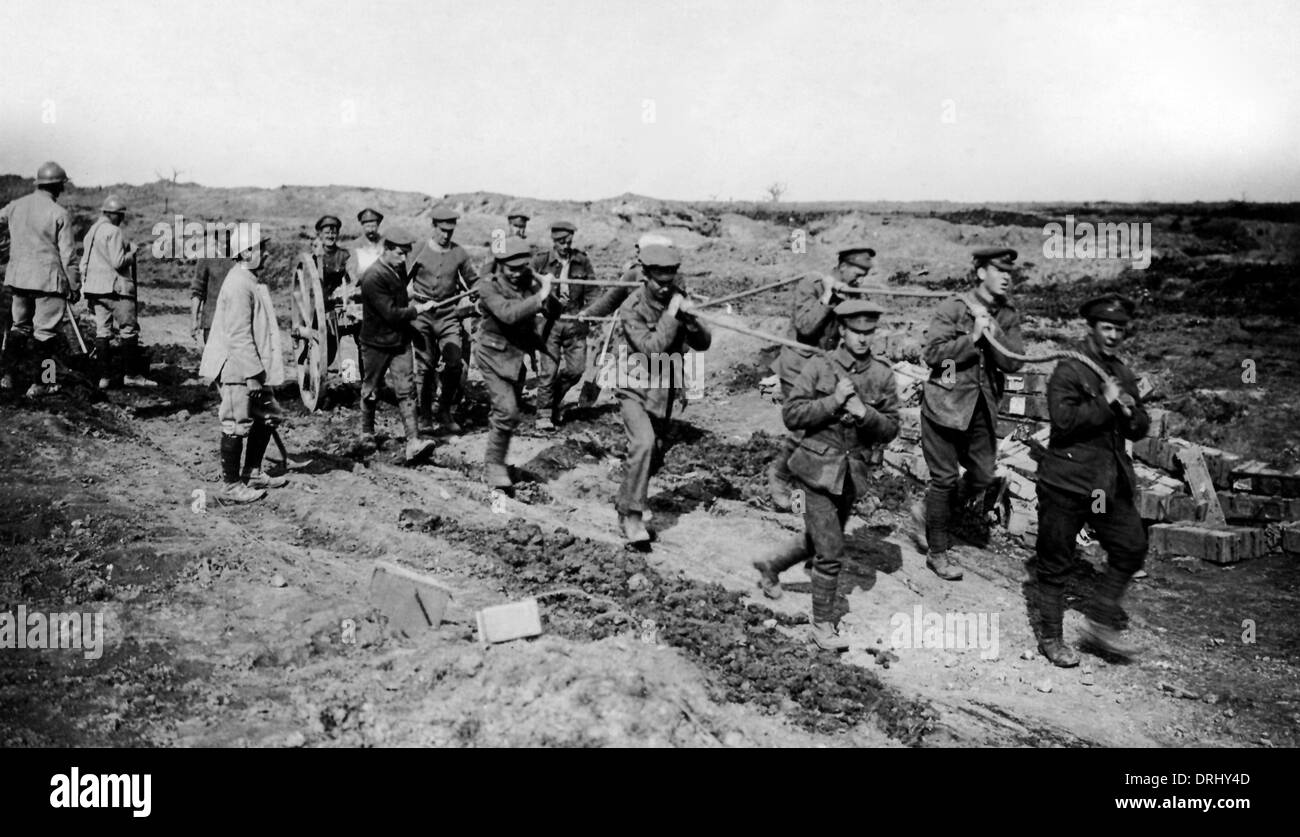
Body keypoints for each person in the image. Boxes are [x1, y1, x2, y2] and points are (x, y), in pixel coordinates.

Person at [776, 299, 900, 651]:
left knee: (819, 541)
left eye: (869, 332)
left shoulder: (881, 374)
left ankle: (771, 566)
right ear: (842, 331)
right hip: (814, 471)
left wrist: (864, 413)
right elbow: (792, 415)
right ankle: (822, 625)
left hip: (851, 475)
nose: (863, 338)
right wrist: (832, 402)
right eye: (856, 331)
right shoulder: (820, 366)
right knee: (830, 551)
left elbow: (891, 428)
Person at [1033, 294, 1150, 667]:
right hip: (1066, 482)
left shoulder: (1121, 371)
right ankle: (1051, 638)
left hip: (1104, 485)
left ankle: (1100, 621)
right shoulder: (1070, 369)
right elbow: (1063, 423)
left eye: (1119, 329)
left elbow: (1139, 427)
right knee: (1055, 562)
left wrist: (1130, 411)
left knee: (1131, 545)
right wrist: (1106, 402)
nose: (1114, 335)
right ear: (1092, 328)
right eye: (1107, 327)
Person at [916, 247, 1025, 580]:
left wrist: (992, 331)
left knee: (981, 475)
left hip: (981, 409)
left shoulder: (1007, 315)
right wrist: (972, 339)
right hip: (944, 405)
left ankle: (930, 513)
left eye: (1010, 272)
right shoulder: (953, 307)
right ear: (980, 273)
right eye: (998, 270)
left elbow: (1013, 362)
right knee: (945, 480)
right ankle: (938, 552)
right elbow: (934, 356)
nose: (1006, 277)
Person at [612, 244, 712, 544]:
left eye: (670, 281)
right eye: (659, 281)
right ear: (645, 275)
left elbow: (703, 344)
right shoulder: (632, 306)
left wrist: (692, 320)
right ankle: (631, 517)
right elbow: (650, 349)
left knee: (653, 454)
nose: (665, 288)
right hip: (633, 384)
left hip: (663, 389)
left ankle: (625, 499)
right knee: (642, 444)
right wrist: (672, 315)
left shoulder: (677, 297)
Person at [767, 244, 877, 511]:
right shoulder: (812, 284)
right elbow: (805, 327)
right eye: (857, 272)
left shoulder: (853, 293)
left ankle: (830, 488)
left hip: (825, 369)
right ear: (842, 266)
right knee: (806, 430)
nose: (860, 279)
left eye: (865, 274)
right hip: (798, 367)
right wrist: (828, 297)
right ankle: (780, 478)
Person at [197, 227, 288, 503]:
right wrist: (252, 375)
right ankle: (231, 485)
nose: (267, 253)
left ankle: (253, 471)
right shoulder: (238, 284)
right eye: (261, 248)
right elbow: (238, 335)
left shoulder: (249, 280)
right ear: (246, 252)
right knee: (236, 423)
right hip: (237, 367)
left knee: (269, 415)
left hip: (252, 366)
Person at [474, 237, 559, 490]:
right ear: (500, 265)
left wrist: (546, 290)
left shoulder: (527, 283)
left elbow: (555, 312)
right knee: (507, 412)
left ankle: (496, 459)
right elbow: (509, 314)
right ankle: (493, 468)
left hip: (515, 357)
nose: (515, 274)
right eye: (511, 268)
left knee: (505, 413)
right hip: (491, 354)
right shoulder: (487, 286)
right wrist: (539, 295)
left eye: (521, 268)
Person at [357, 227, 437, 463]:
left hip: (400, 341)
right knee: (371, 389)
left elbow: (400, 295)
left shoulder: (396, 269)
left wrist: (416, 298)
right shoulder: (373, 277)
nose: (404, 259)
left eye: (406, 254)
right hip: (376, 343)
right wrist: (418, 310)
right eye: (400, 253)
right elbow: (391, 313)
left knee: (406, 389)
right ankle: (367, 432)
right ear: (387, 250)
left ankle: (413, 442)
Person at [0, 161, 79, 397]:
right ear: (57, 187)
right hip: (48, 281)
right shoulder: (59, 213)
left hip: (19, 278)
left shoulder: (15, 206)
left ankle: (7, 377)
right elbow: (68, 256)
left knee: (19, 328)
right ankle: (43, 382)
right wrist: (74, 285)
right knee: (46, 333)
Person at [408, 204, 478, 435]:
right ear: (433, 226)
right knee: (425, 366)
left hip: (448, 315)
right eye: (442, 230)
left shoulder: (459, 253)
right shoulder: (418, 250)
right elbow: (398, 279)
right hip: (422, 315)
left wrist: (481, 292)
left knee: (455, 363)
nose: (446, 235)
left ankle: (445, 410)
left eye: (450, 230)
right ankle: (425, 415)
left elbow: (473, 281)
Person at [80, 195, 153, 389]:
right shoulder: (114, 232)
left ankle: (104, 378)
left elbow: (84, 264)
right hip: (116, 290)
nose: (121, 220)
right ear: (113, 215)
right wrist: (132, 253)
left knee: (102, 331)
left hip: (95, 290)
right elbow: (118, 262)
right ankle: (131, 375)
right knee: (129, 330)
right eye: (120, 216)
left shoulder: (91, 232)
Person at [531, 220, 596, 430]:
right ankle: (543, 414)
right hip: (549, 323)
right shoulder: (541, 261)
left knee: (577, 369)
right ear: (553, 240)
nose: (565, 245)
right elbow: (529, 289)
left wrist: (589, 312)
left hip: (575, 323)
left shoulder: (582, 261)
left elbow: (593, 291)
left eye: (568, 241)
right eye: (560, 241)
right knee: (548, 370)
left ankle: (552, 401)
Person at [348, 207, 384, 279]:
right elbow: (351, 270)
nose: (370, 230)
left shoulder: (385, 243)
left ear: (378, 225)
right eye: (367, 226)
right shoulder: (355, 245)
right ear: (362, 226)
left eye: (373, 226)